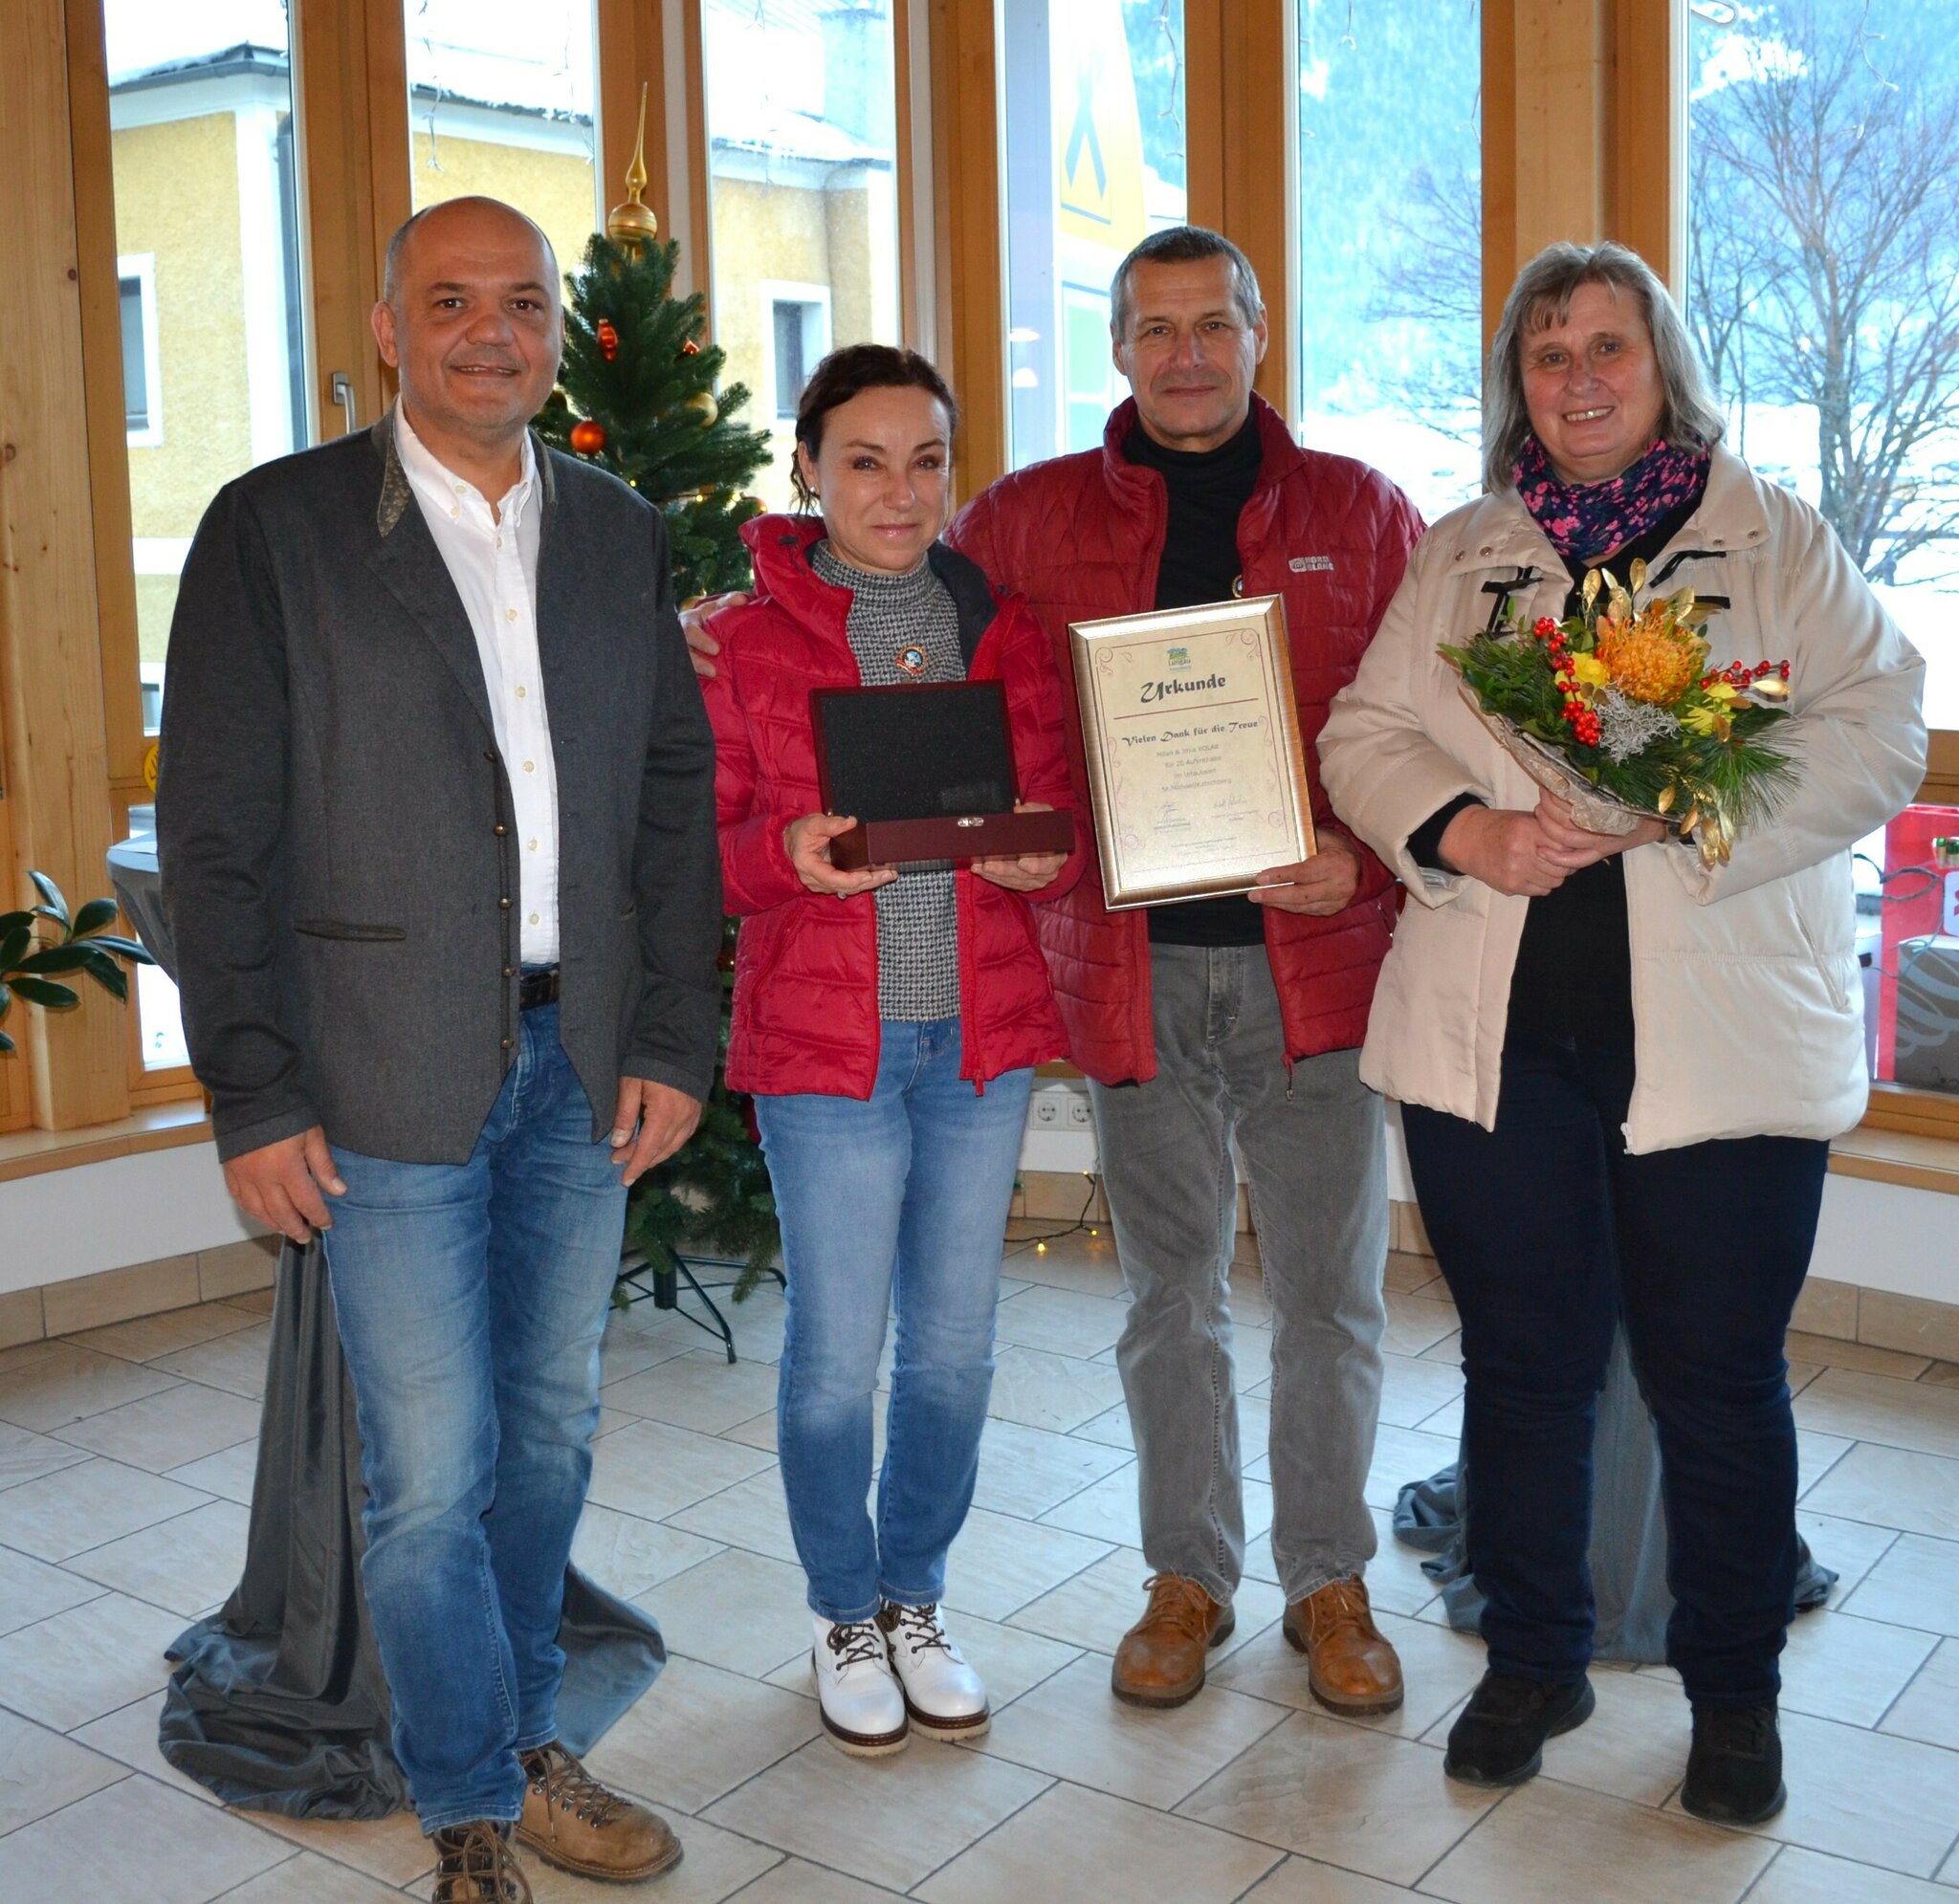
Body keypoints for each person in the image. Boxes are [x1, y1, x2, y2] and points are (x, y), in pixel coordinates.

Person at [694, 228, 1423, 1715]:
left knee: (1334, 1297)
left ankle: (1330, 1583)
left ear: (1261, 331)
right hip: (1130, 971)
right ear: (1116, 347)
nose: (1186, 353)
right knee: (1169, 1295)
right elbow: (878, 655)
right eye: (1154, 327)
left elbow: (1422, 728)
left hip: (1319, 968)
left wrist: (1365, 852)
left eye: (1213, 323)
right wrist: (710, 632)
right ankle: (1188, 1578)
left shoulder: (1365, 511)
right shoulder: (1022, 527)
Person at [159, 195, 722, 1902]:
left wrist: (679, 1031)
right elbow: (217, 835)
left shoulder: (618, 530)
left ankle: (530, 1744)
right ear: (390, 328)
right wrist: (251, 1088)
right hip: (376, 1076)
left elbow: (675, 803)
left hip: (586, 1065)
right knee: (431, 1477)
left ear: (559, 333)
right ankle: (467, 1798)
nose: (496, 332)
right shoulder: (277, 528)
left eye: (526, 304)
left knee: (550, 1441)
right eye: (454, 300)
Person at [1318, 240, 1925, 1824]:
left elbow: (1880, 731)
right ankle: (1535, 1658)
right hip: (1496, 1045)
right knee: (1523, 1372)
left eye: (1609, 347)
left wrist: (1701, 806)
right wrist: (1463, 831)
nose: (1579, 378)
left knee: (1718, 1381)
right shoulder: (1465, 550)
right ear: (1516, 384)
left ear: (1663, 366)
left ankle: (1735, 1697)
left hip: (1721, 1050)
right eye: (1548, 353)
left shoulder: (1773, 537)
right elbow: (1365, 734)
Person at [699, 343, 1079, 1756]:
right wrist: (787, 854)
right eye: (864, 460)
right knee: (835, 1358)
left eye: (926, 460)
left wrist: (1043, 859)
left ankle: (916, 1597)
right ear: (808, 469)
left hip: (978, 1040)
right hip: (825, 1053)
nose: (899, 490)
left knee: (957, 1356)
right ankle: (839, 1608)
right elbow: (704, 860)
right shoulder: (740, 642)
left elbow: (1049, 814)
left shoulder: (1008, 630)